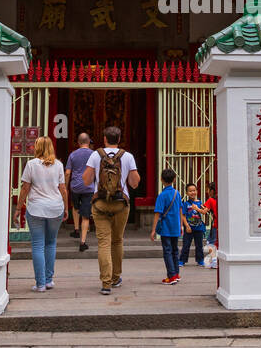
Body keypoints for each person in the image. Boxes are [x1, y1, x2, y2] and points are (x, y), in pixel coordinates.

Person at [83, 125, 140, 295]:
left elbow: (86, 180)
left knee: (104, 243)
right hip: (121, 204)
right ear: (119, 139)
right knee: (117, 241)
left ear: (105, 139)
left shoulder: (95, 155)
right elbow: (134, 183)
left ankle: (105, 283)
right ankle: (116, 277)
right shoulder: (127, 156)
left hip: (100, 203)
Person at [17, 136, 68, 293]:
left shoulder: (31, 165)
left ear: (37, 148)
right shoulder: (58, 165)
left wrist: (18, 208)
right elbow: (63, 188)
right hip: (55, 208)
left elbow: (25, 188)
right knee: (51, 242)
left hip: (36, 208)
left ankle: (40, 284)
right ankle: (49, 280)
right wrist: (66, 208)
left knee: (38, 244)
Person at [150, 169, 186, 284]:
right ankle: (176, 274)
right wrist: (181, 226)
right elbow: (181, 210)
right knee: (175, 251)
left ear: (161, 179)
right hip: (176, 227)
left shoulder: (162, 196)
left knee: (167, 251)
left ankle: (171, 276)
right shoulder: (177, 193)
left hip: (166, 228)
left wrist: (153, 230)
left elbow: (157, 213)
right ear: (174, 179)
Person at [65, 132, 95, 253]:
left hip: (75, 187)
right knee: (86, 215)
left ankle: (76, 229)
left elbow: (67, 172)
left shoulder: (72, 154)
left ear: (78, 142)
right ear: (88, 142)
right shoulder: (94, 155)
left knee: (76, 207)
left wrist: (65, 187)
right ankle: (82, 242)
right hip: (89, 187)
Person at [179, 182, 207, 268]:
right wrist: (186, 226)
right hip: (189, 228)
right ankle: (182, 260)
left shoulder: (200, 202)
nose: (192, 192)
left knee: (199, 245)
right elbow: (183, 215)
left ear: (197, 191)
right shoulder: (185, 204)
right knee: (186, 245)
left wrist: (197, 208)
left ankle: (200, 260)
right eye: (190, 191)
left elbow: (204, 211)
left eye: (194, 190)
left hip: (199, 228)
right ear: (187, 193)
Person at [204, 182, 218, 248]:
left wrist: (196, 208)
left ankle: (213, 257)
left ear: (212, 191)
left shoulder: (211, 200)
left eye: (208, 189)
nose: (207, 191)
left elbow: (204, 211)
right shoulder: (220, 199)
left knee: (211, 243)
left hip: (215, 225)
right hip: (221, 226)